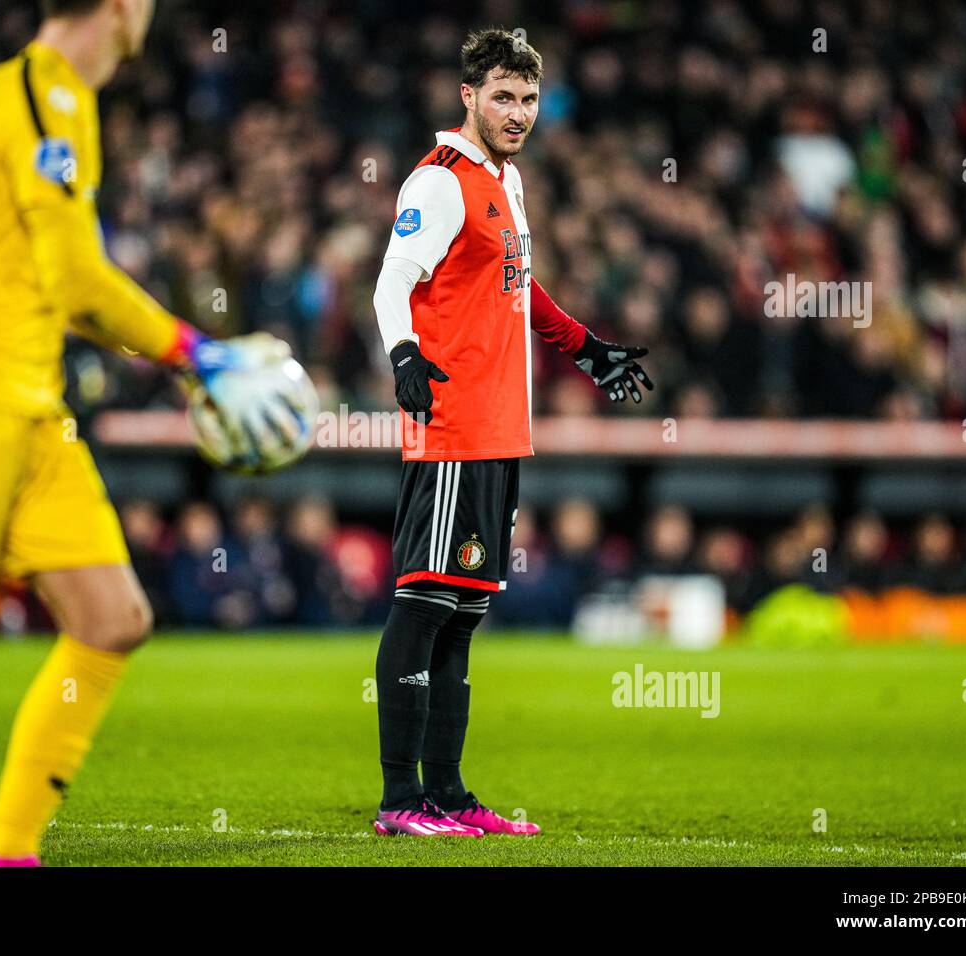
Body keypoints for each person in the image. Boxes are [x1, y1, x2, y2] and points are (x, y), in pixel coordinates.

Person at [0, 0, 293, 867]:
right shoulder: (38, 96)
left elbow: (58, 285)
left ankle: (4, 855)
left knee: (112, 616)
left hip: (28, 403)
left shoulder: (57, 101)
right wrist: (194, 351)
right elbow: (76, 277)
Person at [368, 28, 652, 837]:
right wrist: (404, 356)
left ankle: (449, 797)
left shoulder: (508, 181)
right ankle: (399, 801)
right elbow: (392, 283)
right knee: (423, 606)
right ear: (468, 96)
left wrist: (584, 347)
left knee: (463, 617)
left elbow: (519, 292)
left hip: (502, 431)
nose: (518, 112)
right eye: (503, 96)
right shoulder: (442, 182)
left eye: (528, 98)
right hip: (452, 424)